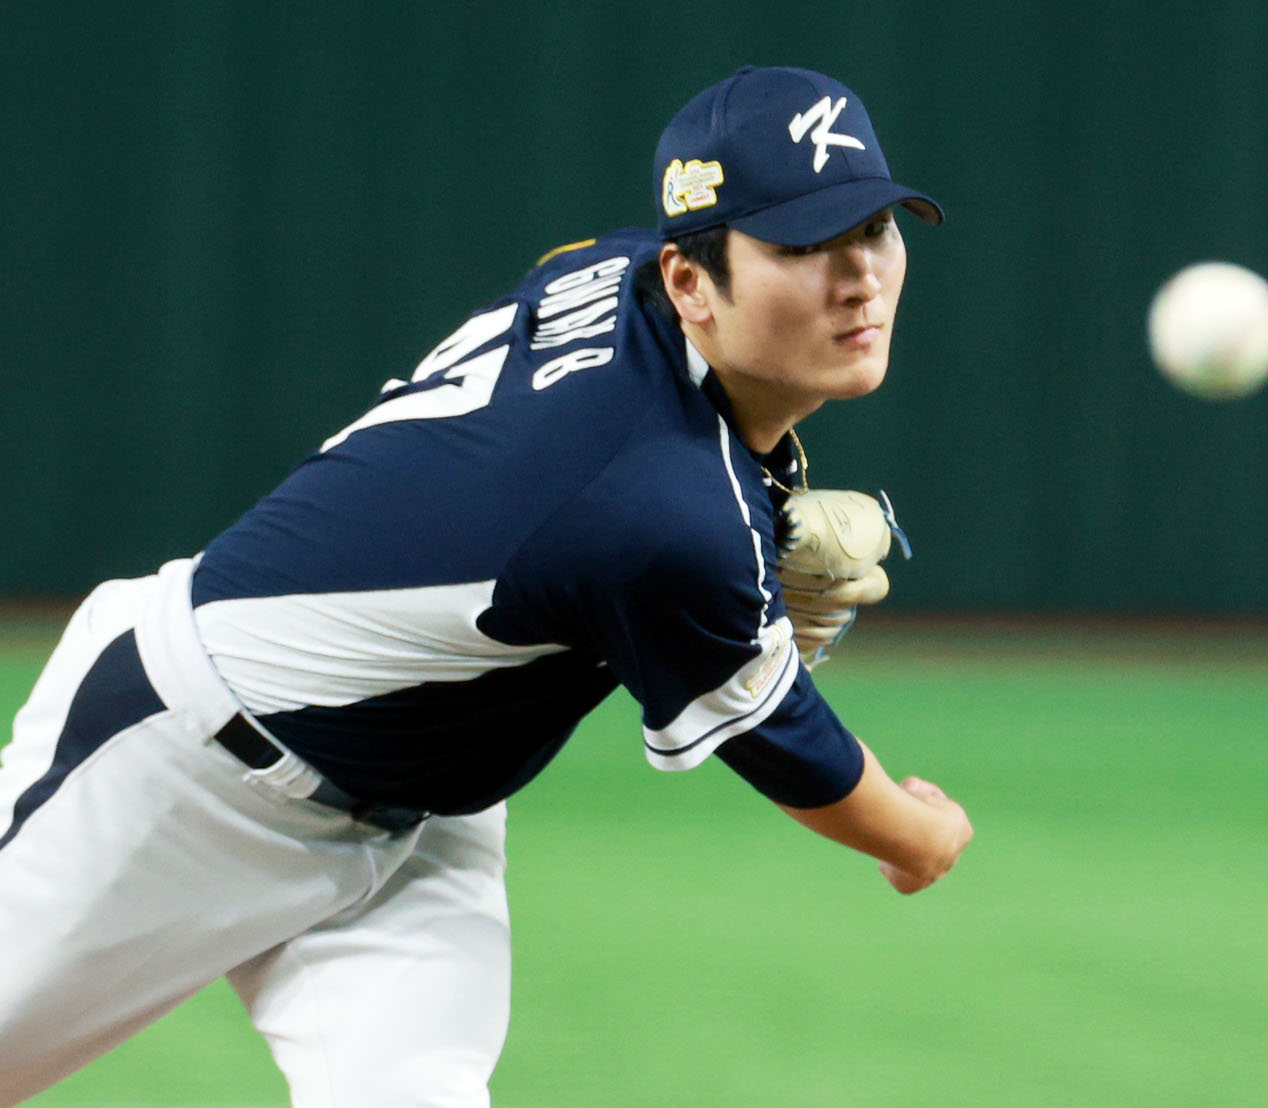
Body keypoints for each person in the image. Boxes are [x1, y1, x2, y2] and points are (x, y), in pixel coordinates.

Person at [0, 65, 972, 1106]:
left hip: (422, 818)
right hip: (182, 763)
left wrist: (749, 538)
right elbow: (786, 742)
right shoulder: (662, 510)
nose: (858, 277)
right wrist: (919, 838)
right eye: (803, 245)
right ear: (690, 282)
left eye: (873, 228)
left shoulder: (617, 276)